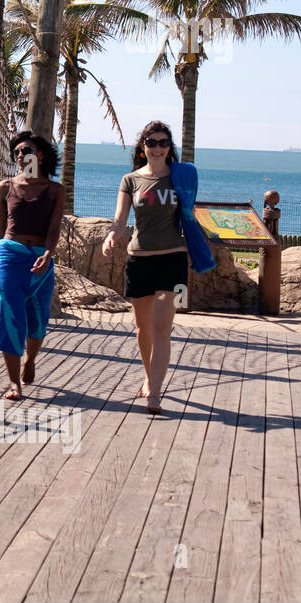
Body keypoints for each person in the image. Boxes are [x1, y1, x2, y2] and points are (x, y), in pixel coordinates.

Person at [101, 121, 191, 415]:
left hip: (173, 258)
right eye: (152, 142)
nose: (158, 147)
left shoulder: (181, 178)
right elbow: (120, 218)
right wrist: (112, 235)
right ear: (143, 146)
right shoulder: (130, 180)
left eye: (164, 143)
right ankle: (149, 375)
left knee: (162, 327)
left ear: (170, 148)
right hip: (139, 258)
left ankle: (154, 391)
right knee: (143, 328)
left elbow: (191, 213)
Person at [0, 131, 63, 400]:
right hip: (8, 257)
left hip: (39, 258)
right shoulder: (5, 187)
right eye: (17, 153)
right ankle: (14, 383)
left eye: (27, 151)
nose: (21, 156)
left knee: (37, 320)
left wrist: (47, 255)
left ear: (41, 155)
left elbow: (54, 229)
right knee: (9, 315)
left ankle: (30, 359)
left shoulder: (55, 190)